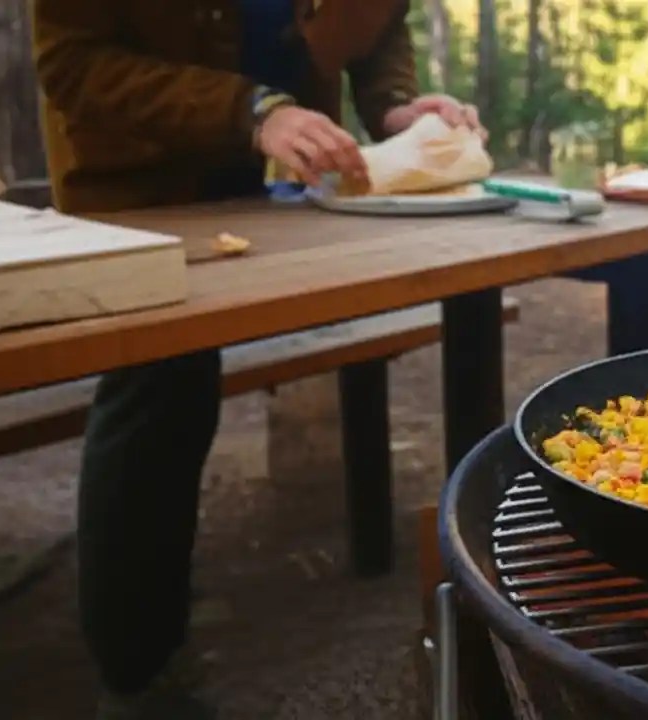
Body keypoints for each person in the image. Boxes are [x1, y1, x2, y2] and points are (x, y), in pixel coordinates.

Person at [30, 1, 484, 718]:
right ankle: (141, 675)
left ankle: (483, 617)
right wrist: (249, 109)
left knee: (453, 302)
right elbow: (72, 63)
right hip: (142, 196)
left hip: (286, 197)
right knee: (161, 382)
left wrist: (395, 109)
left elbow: (377, 21)